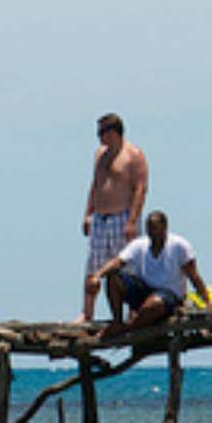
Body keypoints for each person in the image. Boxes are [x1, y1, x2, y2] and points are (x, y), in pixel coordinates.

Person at [85, 210, 210, 334]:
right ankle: (117, 320)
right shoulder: (140, 244)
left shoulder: (179, 246)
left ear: (164, 228)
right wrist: (97, 275)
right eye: (149, 229)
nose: (152, 233)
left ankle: (127, 328)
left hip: (169, 296)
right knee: (113, 277)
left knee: (155, 304)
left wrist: (207, 301)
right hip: (144, 290)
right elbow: (118, 261)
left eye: (155, 229)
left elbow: (194, 277)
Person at [79, 113, 148, 320]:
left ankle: (133, 312)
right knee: (93, 266)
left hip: (122, 217)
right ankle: (87, 312)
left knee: (127, 267)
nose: (99, 137)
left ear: (113, 133)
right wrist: (87, 213)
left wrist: (132, 221)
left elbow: (140, 189)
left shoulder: (133, 155)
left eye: (102, 133)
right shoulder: (100, 154)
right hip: (100, 218)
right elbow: (96, 185)